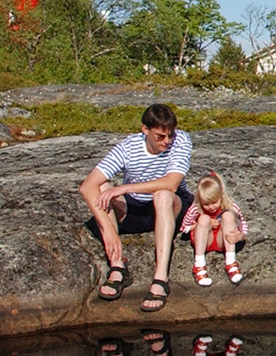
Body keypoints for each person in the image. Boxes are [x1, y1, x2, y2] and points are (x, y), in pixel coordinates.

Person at [79, 103, 193, 313]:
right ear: (145, 130)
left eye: (170, 135)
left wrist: (123, 188)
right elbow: (87, 187)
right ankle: (117, 268)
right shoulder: (129, 147)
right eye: (160, 136)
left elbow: (171, 183)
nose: (167, 141)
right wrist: (110, 233)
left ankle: (160, 279)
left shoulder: (181, 140)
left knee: (162, 194)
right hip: (135, 207)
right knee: (103, 187)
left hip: (170, 205)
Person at [181, 172, 249, 287]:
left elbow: (244, 226)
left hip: (222, 239)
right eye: (206, 204)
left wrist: (239, 236)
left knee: (228, 216)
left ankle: (231, 261)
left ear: (221, 196)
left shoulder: (230, 205)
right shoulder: (196, 208)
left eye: (214, 202)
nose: (211, 207)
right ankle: (199, 264)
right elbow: (184, 228)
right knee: (204, 219)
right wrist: (201, 224)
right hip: (205, 240)